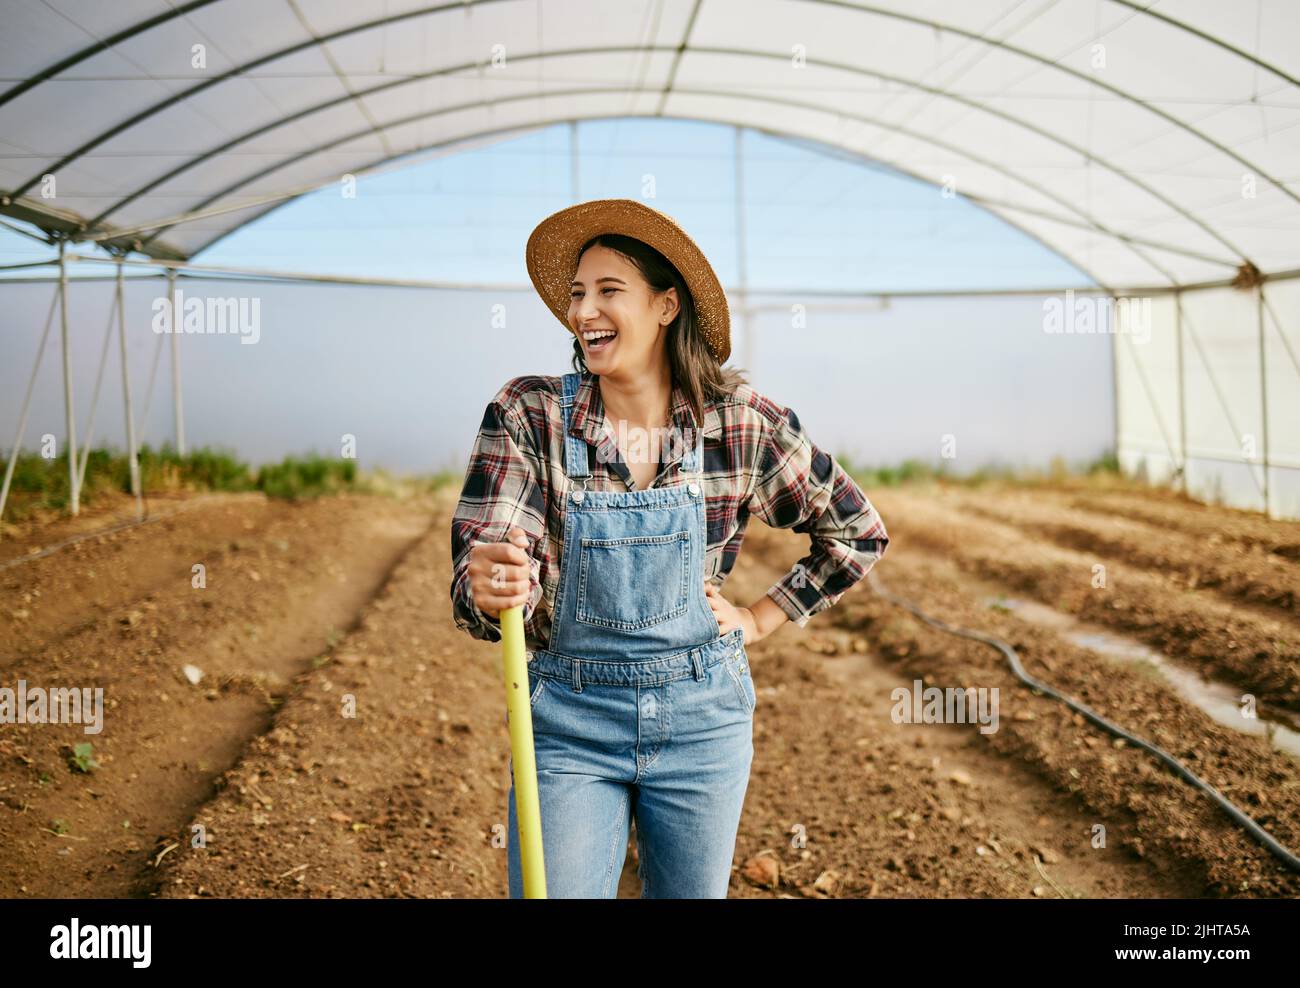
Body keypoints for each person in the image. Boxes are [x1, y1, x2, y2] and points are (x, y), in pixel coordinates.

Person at [449, 198, 889, 898]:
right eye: (575, 295)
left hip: (702, 721)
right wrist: (492, 585)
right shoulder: (529, 414)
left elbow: (857, 532)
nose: (583, 311)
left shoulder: (740, 423)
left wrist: (760, 617)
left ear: (665, 306)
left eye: (607, 291)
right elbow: (489, 578)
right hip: (569, 717)